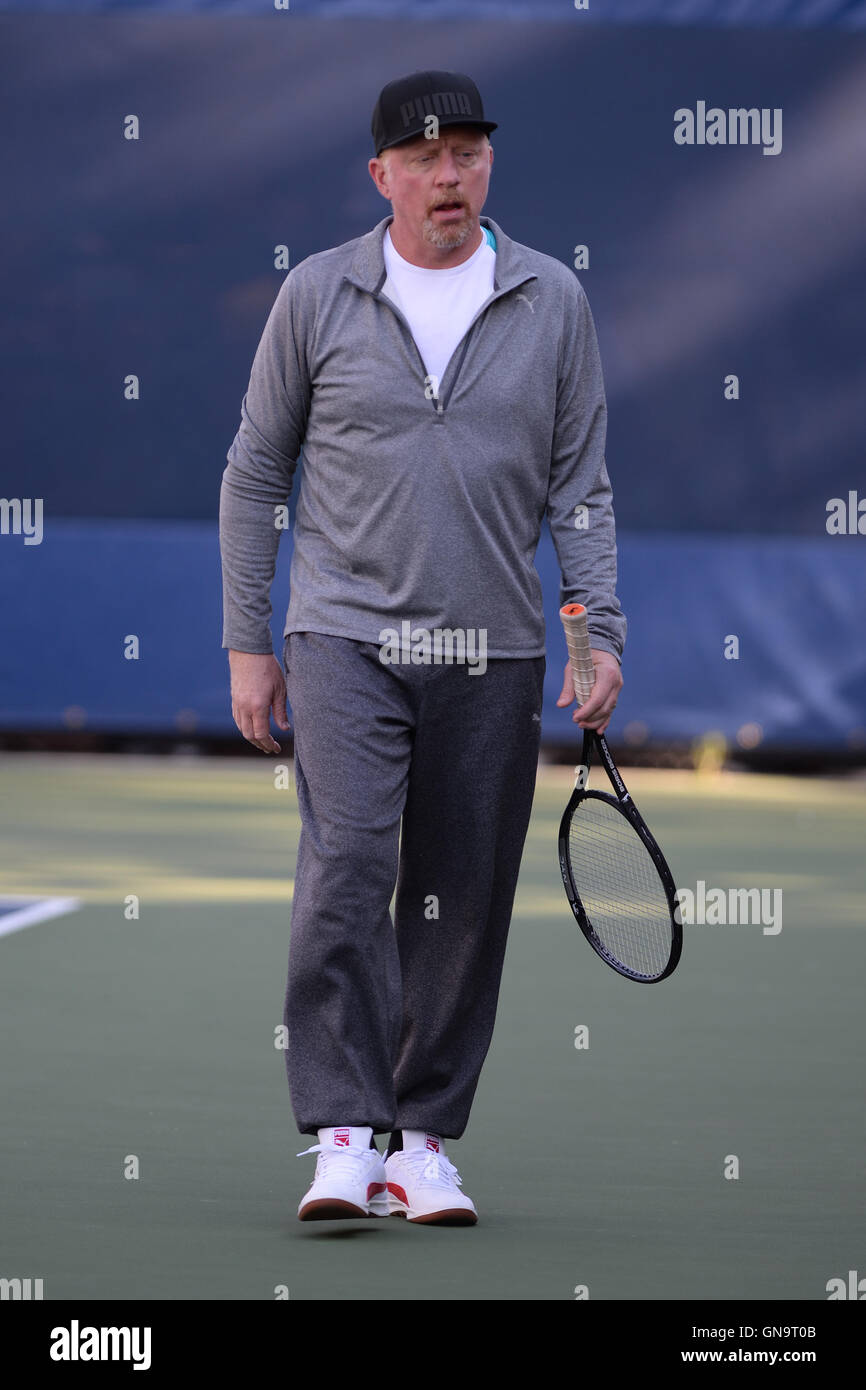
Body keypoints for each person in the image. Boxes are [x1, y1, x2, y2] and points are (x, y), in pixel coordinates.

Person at [219, 70, 625, 1226]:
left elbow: (579, 490)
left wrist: (597, 631)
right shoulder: (316, 293)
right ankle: (345, 1136)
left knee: (460, 896)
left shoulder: (552, 299)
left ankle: (423, 1140)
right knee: (347, 864)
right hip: (343, 633)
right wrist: (249, 641)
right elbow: (255, 473)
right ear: (380, 175)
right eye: (425, 157)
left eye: (468, 154)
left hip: (494, 649)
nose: (449, 176)